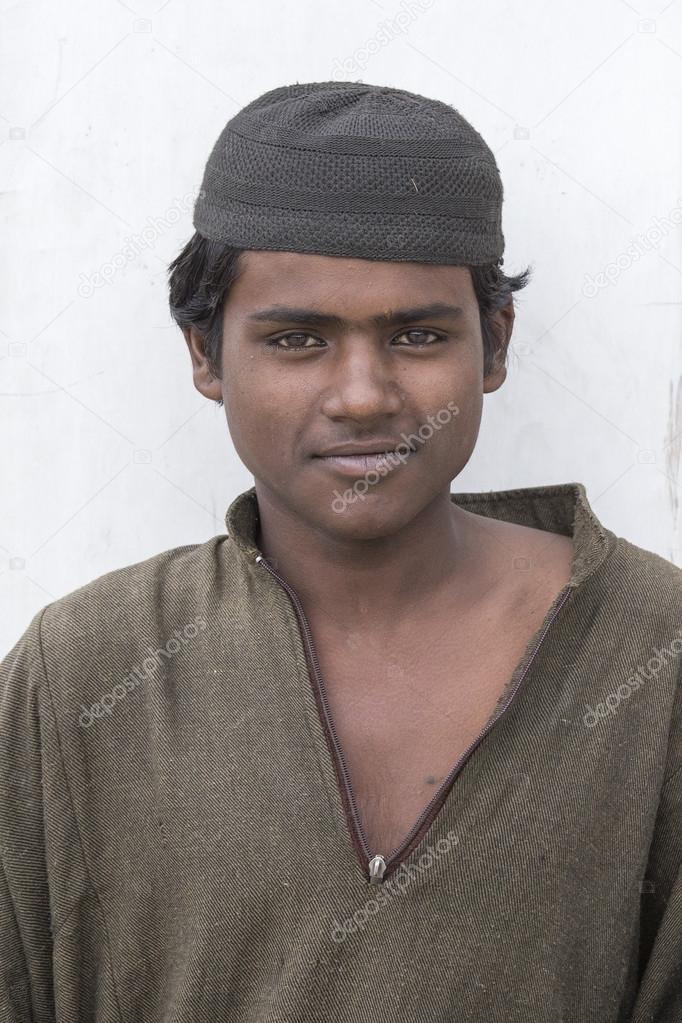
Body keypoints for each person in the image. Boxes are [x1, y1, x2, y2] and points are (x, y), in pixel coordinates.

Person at [1, 81, 680, 1023]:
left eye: (418, 335)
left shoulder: (652, 649)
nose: (362, 395)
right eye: (297, 339)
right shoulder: (86, 668)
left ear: (493, 346)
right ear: (205, 354)